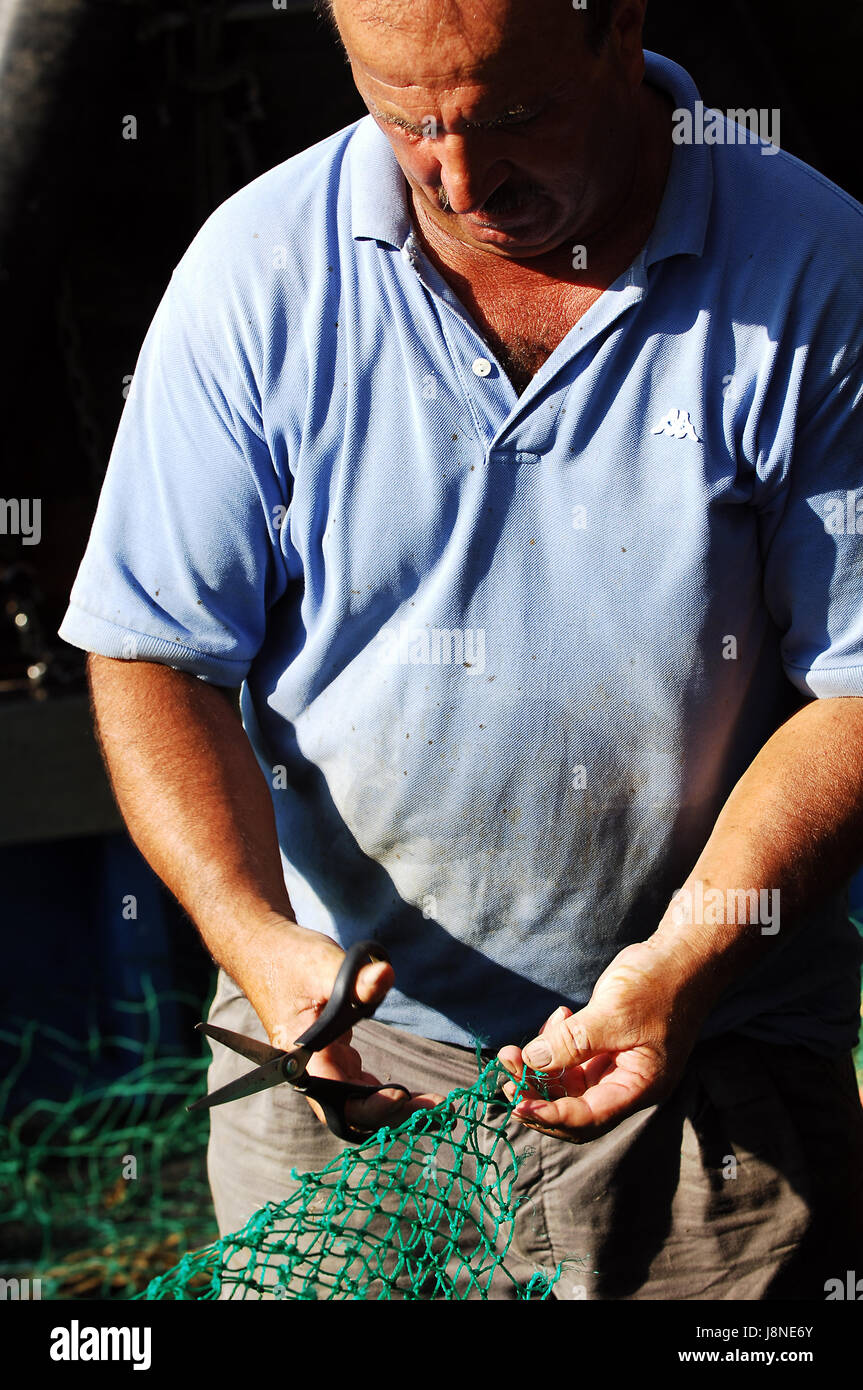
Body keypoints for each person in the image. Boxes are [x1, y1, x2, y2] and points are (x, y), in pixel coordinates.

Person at [59, 0, 863, 1299]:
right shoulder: (256, 271)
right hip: (336, 1080)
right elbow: (156, 653)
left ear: (618, 30)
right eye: (406, 120)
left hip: (719, 1074)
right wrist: (258, 940)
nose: (458, 177)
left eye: (511, 116)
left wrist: (687, 962)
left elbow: (857, 688)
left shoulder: (819, 269)